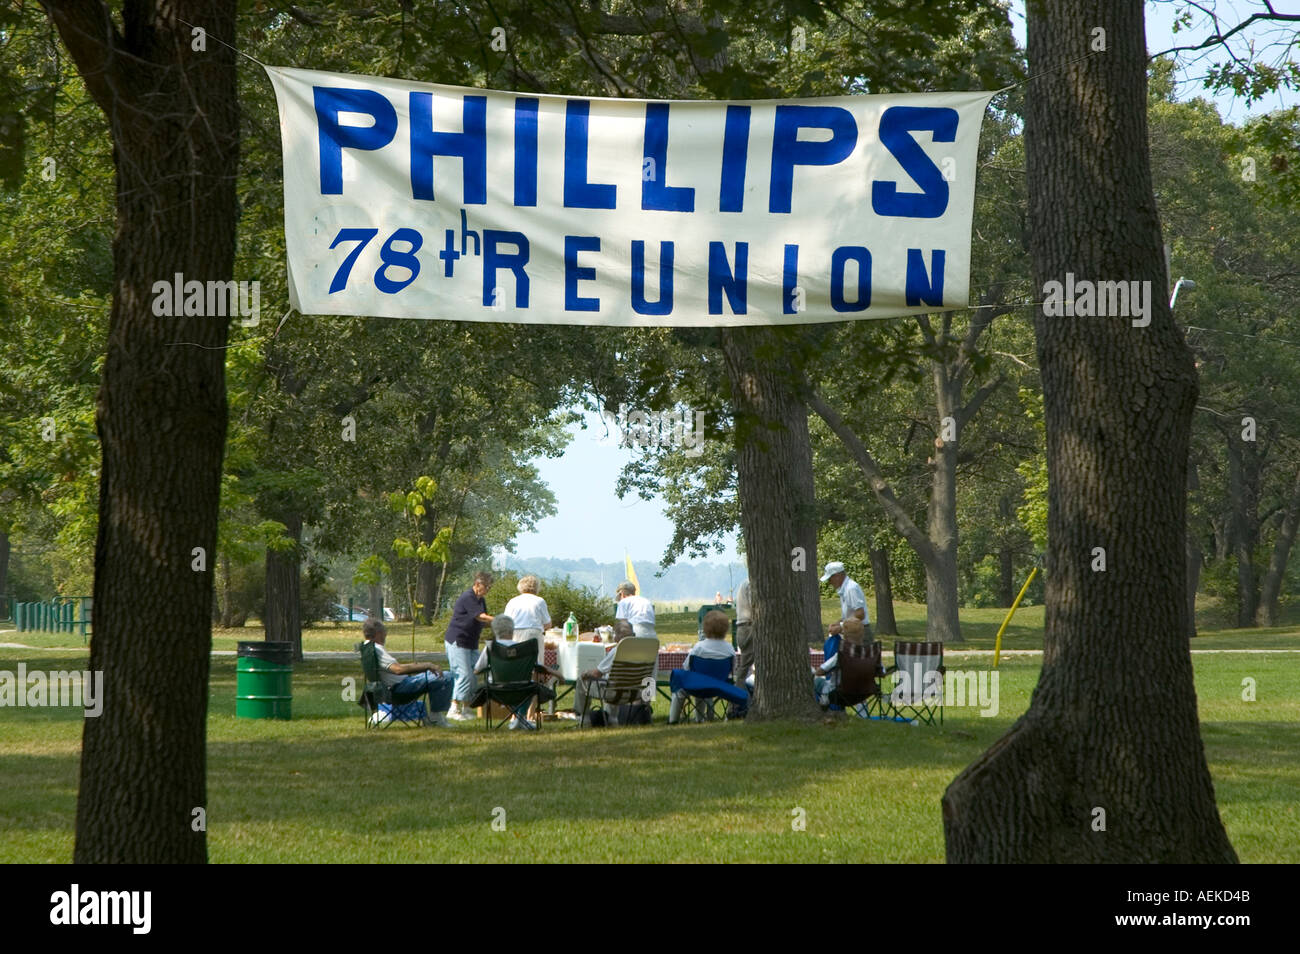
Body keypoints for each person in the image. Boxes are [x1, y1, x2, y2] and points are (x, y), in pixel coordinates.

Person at [473, 615, 561, 730]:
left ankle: (518, 720)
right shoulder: (524, 648)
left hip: (497, 690)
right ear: (512, 630)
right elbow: (538, 667)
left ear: (495, 631)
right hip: (523, 690)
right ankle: (521, 718)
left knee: (521, 686)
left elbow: (477, 670)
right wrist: (557, 674)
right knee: (531, 686)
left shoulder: (491, 647)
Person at [363, 618, 454, 726]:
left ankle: (434, 717)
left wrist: (415, 666)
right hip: (398, 690)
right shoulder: (377, 649)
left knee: (434, 674)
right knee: (446, 676)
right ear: (379, 633)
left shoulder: (367, 648)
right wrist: (427, 665)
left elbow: (393, 668)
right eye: (385, 632)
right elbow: (398, 670)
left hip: (390, 687)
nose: (386, 635)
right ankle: (435, 717)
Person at [667, 610, 736, 724]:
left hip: (698, 687)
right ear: (725, 628)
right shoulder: (729, 649)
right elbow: (733, 668)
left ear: (705, 628)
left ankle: (673, 720)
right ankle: (702, 718)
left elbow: (686, 667)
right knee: (701, 681)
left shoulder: (699, 647)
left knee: (681, 689)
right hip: (720, 687)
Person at [444, 571, 495, 721]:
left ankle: (466, 708)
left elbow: (483, 621)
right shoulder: (468, 597)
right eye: (487, 587)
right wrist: (501, 620)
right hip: (458, 641)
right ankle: (453, 708)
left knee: (474, 673)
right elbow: (481, 616)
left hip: (471, 642)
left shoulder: (480, 599)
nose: (488, 590)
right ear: (478, 584)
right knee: (464, 674)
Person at [575, 619, 637, 721]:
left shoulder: (618, 650)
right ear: (633, 635)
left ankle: (583, 718)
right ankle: (612, 718)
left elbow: (596, 673)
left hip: (614, 693)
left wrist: (585, 673)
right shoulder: (641, 651)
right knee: (613, 680)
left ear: (617, 637)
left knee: (582, 680)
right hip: (634, 692)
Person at [813, 617, 873, 708]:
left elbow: (821, 670)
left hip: (841, 693)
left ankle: (823, 707)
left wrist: (814, 672)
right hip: (864, 691)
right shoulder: (870, 654)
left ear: (844, 636)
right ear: (862, 635)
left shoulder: (841, 655)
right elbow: (882, 671)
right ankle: (863, 715)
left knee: (816, 681)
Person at [502, 574, 551, 658]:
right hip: (533, 635)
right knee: (534, 663)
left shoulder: (512, 601)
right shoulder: (539, 601)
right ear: (537, 587)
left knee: (517, 662)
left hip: (514, 635)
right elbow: (548, 624)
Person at [820, 561, 870, 638]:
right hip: (853, 632)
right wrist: (838, 623)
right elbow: (851, 614)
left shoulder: (851, 588)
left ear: (837, 576)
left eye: (830, 579)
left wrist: (841, 626)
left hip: (859, 634)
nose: (830, 582)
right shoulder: (845, 588)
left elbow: (860, 614)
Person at [734, 576, 753, 688]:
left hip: (742, 627)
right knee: (745, 666)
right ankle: (737, 699)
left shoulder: (744, 583)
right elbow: (755, 606)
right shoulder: (751, 584)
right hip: (749, 627)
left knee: (745, 665)